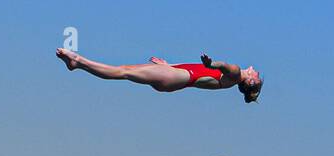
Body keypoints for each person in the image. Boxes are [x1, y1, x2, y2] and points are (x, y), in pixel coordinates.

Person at [56, 47, 262, 102]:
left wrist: (211, 63)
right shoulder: (230, 82)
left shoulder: (236, 74)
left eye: (257, 76)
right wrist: (168, 66)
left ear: (250, 81)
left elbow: (222, 66)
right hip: (174, 76)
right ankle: (78, 64)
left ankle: (78, 61)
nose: (256, 70)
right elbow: (198, 71)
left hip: (175, 77)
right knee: (124, 72)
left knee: (123, 71)